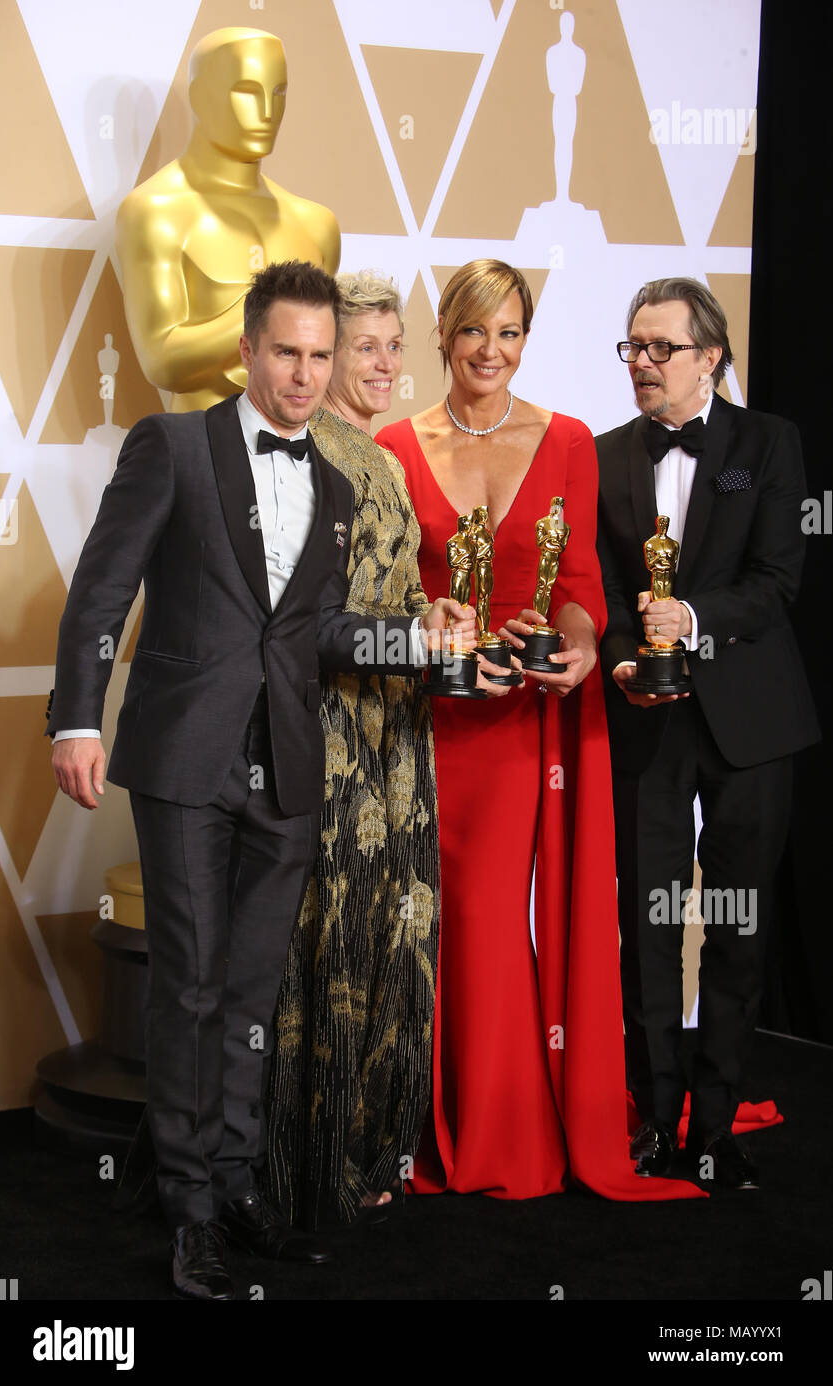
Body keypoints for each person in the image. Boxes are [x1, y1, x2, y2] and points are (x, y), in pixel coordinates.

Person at [47, 260, 474, 1299]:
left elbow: (316, 631)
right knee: (188, 987)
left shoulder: (332, 482)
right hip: (185, 758)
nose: (303, 373)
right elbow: (102, 589)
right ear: (245, 350)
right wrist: (74, 718)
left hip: (289, 765)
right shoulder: (175, 447)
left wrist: (416, 637)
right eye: (285, 351)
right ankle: (189, 1210)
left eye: (319, 355)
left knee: (249, 992)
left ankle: (236, 1186)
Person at [377, 259, 696, 1201]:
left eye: (510, 332)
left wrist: (581, 647)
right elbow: (386, 594)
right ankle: (428, 1124)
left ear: (528, 339)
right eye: (474, 331)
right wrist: (435, 626)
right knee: (435, 922)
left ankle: (506, 1128)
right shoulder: (395, 444)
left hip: (533, 721)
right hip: (428, 719)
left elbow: (582, 592)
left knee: (492, 914)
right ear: (443, 335)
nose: (491, 351)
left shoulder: (565, 442)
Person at [261, 270, 482, 1225]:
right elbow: (308, 620)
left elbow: (383, 596)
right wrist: (411, 643)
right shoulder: (312, 453)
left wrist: (428, 619)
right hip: (332, 732)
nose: (385, 363)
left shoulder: (382, 459)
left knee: (395, 932)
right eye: (364, 347)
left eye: (397, 345)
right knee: (333, 940)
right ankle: (303, 1165)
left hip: (395, 732)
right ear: (321, 356)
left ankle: (369, 1146)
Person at [596, 277, 820, 1188]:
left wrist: (686, 617)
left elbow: (777, 582)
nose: (642, 365)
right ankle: (653, 1119)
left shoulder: (769, 444)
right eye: (633, 348)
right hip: (646, 720)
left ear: (711, 356)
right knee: (645, 923)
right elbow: (603, 597)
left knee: (734, 928)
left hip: (751, 723)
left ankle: (716, 1126)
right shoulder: (606, 455)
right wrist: (619, 655)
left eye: (661, 349)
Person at [116, 27, 340, 412]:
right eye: (248, 92)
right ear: (200, 96)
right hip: (199, 454)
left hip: (300, 455)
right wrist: (271, 311)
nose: (267, 112)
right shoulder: (156, 212)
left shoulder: (316, 225)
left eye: (278, 93)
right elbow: (162, 360)